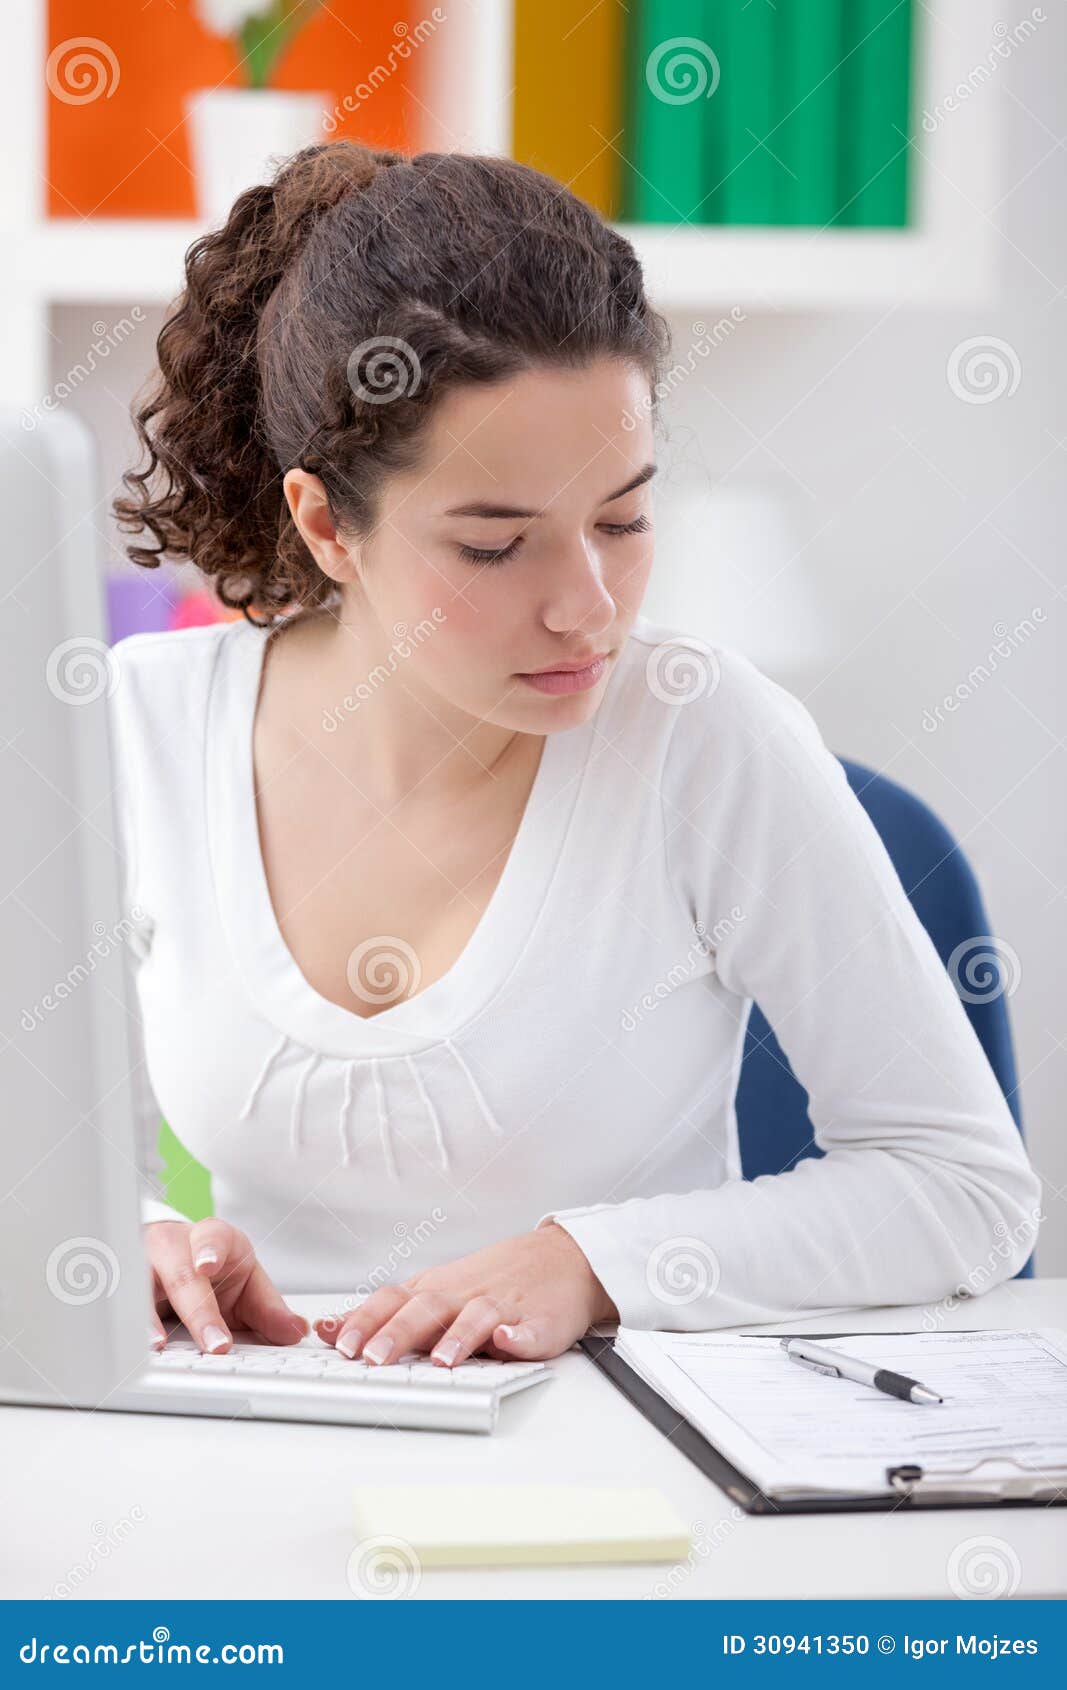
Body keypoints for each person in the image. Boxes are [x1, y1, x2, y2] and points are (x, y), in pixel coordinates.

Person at [109, 140, 1040, 1373]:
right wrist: (138, 1236)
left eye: (623, 517)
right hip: (257, 1427)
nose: (587, 608)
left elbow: (962, 1187)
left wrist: (591, 1265)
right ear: (326, 523)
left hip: (632, 1444)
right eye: (495, 547)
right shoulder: (136, 731)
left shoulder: (705, 738)